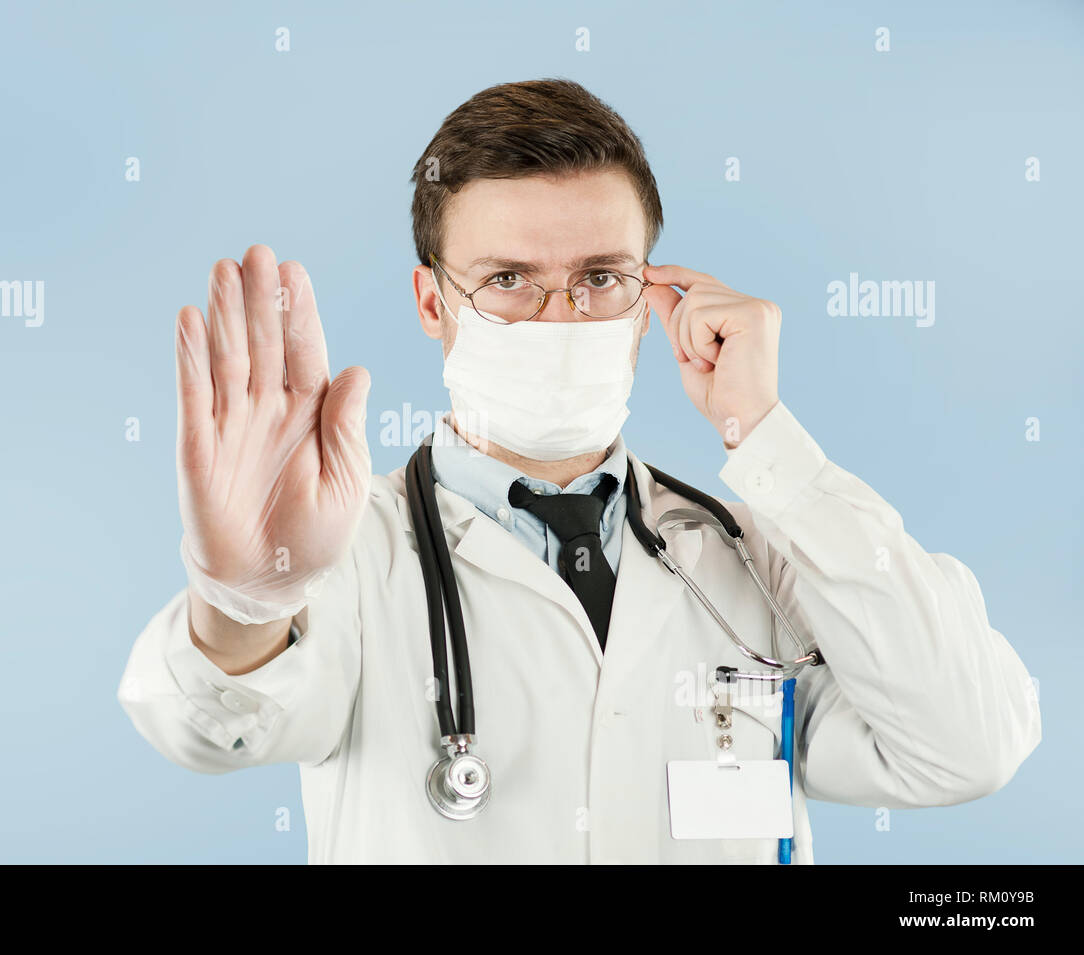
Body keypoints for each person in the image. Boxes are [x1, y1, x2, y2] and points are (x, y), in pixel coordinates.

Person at [117, 78, 1040, 864]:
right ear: (432, 301)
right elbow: (211, 727)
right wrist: (244, 598)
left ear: (650, 304)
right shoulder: (350, 553)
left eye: (602, 277)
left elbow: (967, 746)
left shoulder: (752, 552)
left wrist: (764, 439)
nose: (561, 316)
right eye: (508, 279)